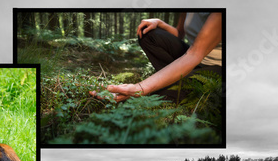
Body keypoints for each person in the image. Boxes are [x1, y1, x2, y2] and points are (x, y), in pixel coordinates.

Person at [90, 12, 223, 103]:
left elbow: (195, 53)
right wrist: (160, 23)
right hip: (189, 54)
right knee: (148, 33)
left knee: (162, 93)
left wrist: (140, 88)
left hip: (214, 66)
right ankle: (169, 79)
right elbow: (179, 34)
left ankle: (166, 84)